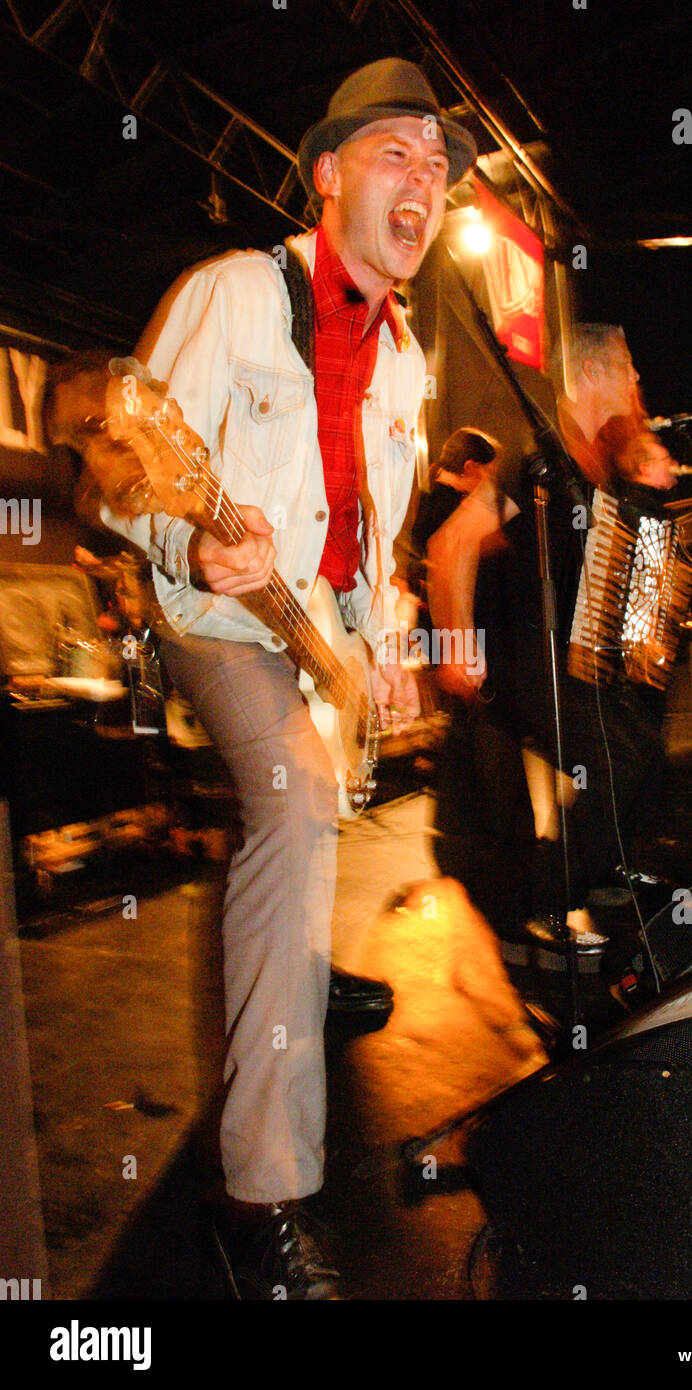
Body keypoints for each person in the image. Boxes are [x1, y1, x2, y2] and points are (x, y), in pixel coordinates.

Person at [97, 58, 476, 1299]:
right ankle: (257, 1195)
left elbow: (366, 537)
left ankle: (307, 974)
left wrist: (389, 638)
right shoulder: (231, 297)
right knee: (300, 798)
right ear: (327, 178)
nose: (421, 183)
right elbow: (123, 470)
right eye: (394, 157)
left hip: (312, 620)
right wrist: (188, 535)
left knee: (325, 795)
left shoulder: (412, 362)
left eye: (435, 167)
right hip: (211, 613)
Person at [428, 326, 670, 927]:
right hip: (530, 664)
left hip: (580, 664)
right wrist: (456, 645)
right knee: (619, 758)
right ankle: (539, 904)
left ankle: (603, 878)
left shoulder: (600, 468)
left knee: (644, 749)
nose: (637, 381)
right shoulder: (536, 454)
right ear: (591, 374)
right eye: (628, 368)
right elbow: (451, 542)